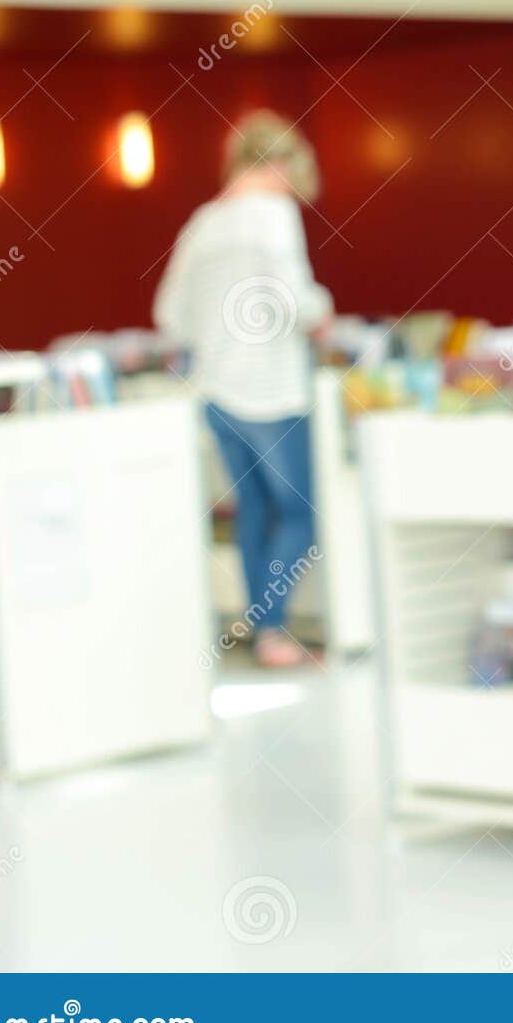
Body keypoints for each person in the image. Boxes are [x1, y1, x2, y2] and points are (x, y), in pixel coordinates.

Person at [154, 111, 331, 668]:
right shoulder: (273, 216)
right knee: (300, 514)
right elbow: (296, 299)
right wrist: (322, 313)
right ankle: (273, 630)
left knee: (252, 512)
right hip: (271, 389)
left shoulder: (203, 222)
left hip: (215, 392)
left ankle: (265, 631)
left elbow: (169, 315)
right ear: (279, 164)